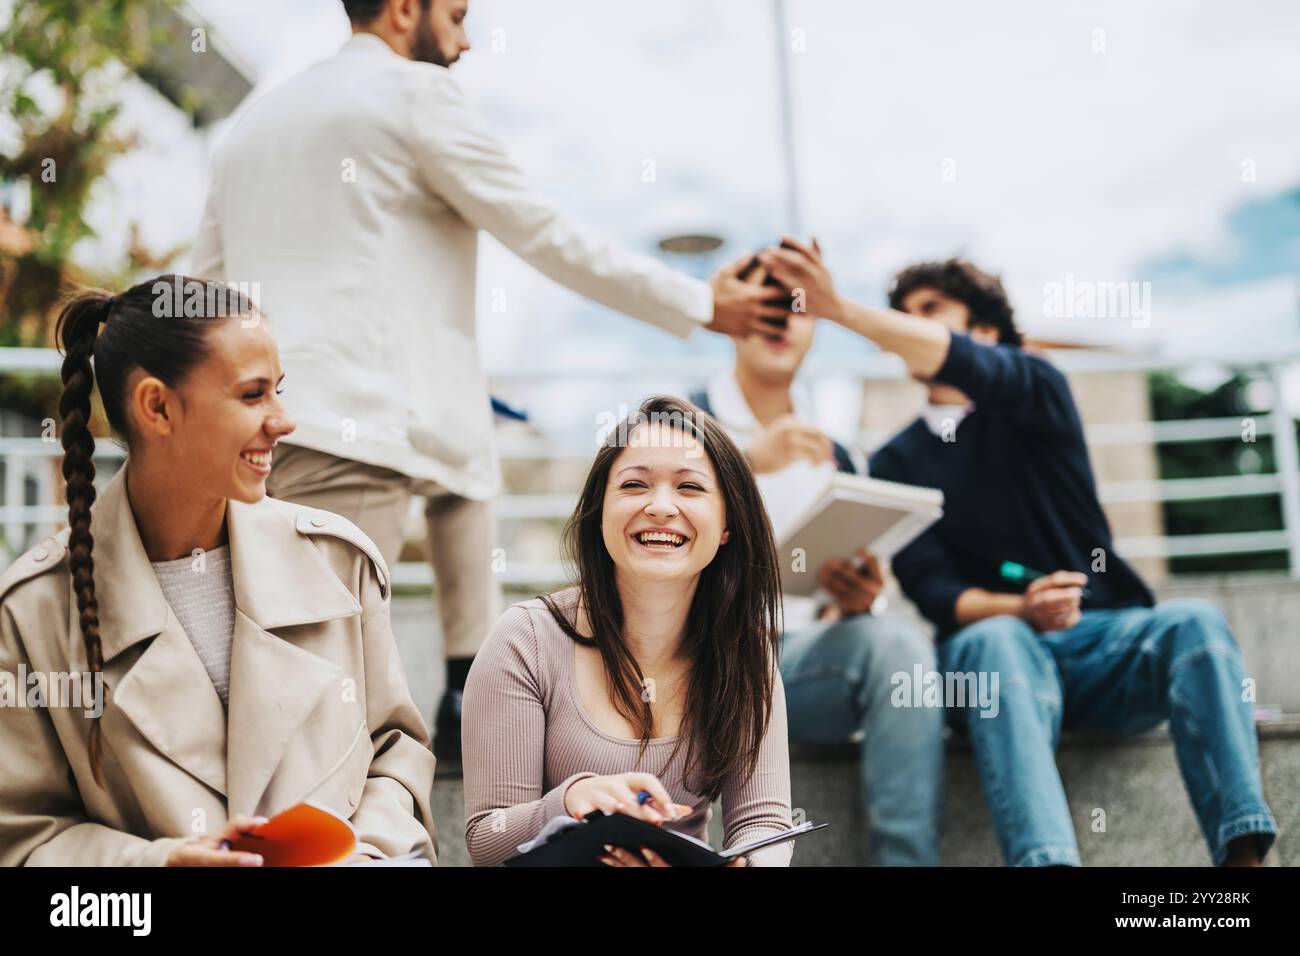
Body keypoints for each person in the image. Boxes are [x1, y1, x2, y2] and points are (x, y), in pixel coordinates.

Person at [191, 0, 789, 759]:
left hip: (274, 427)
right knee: (325, 679)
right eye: (458, 15)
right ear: (407, 9)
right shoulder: (414, 95)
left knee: (334, 622)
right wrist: (702, 302)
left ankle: (469, 700)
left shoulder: (253, 122)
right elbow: (541, 229)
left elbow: (201, 293)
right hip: (364, 434)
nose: (468, 39)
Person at [755, 244, 1278, 867]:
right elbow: (936, 593)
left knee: (1193, 621)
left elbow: (979, 367)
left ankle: (1244, 863)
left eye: (931, 309)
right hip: (992, 659)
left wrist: (838, 308)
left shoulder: (1038, 391)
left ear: (984, 329)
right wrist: (1022, 606)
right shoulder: (896, 461)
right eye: (906, 313)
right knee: (999, 639)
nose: (913, 323)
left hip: (1101, 647)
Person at [0, 277, 436, 866]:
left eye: (279, 391)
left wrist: (368, 859)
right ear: (157, 406)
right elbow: (25, 840)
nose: (284, 421)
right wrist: (160, 867)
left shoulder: (339, 562)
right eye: (253, 396)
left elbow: (396, 754)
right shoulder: (32, 612)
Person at [461, 396, 792, 866]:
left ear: (727, 525)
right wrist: (575, 799)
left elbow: (766, 823)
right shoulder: (525, 640)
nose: (660, 507)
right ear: (599, 516)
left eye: (690, 488)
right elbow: (486, 843)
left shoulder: (747, 652)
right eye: (634, 484)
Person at [687, 268, 942, 866]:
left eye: (796, 307)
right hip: (709, 663)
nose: (780, 320)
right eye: (765, 304)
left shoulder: (838, 454)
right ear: (732, 317)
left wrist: (856, 600)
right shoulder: (684, 426)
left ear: (816, 326)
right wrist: (743, 461)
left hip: (804, 659)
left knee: (897, 644)